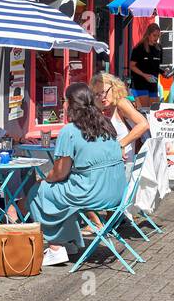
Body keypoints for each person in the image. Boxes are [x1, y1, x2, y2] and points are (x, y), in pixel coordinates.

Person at [27, 83, 129, 267]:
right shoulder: (106, 124)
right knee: (60, 193)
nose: (63, 105)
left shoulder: (70, 130)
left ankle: (57, 247)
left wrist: (44, 180)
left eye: (64, 101)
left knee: (38, 192)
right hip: (117, 192)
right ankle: (69, 242)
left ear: (71, 104)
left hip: (92, 191)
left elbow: (59, 173)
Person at [90, 71, 149, 173]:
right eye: (97, 94)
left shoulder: (121, 103)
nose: (102, 97)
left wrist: (120, 145)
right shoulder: (102, 108)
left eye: (104, 92)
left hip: (124, 166)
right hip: (106, 165)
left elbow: (143, 124)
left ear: (114, 88)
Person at [127, 24, 163, 109]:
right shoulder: (139, 48)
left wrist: (163, 72)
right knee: (144, 110)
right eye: (154, 35)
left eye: (158, 36)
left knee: (153, 110)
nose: (156, 38)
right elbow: (132, 66)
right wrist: (144, 75)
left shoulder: (159, 48)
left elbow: (156, 67)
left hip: (153, 83)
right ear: (148, 34)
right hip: (140, 83)